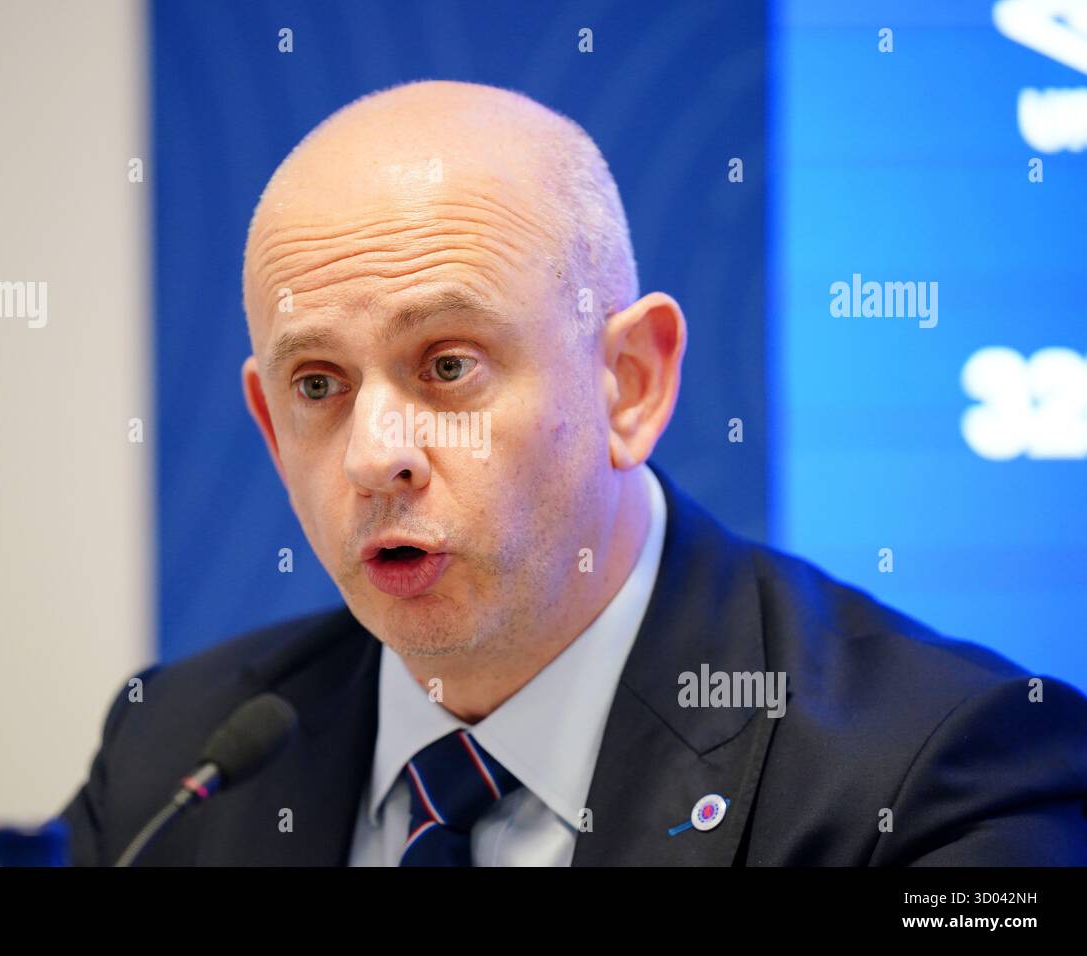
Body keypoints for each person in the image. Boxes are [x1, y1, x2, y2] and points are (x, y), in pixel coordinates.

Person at [59, 80, 1087, 866]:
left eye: (448, 364)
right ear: (270, 431)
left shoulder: (938, 779)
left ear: (629, 382)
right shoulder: (171, 758)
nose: (377, 453)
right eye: (318, 384)